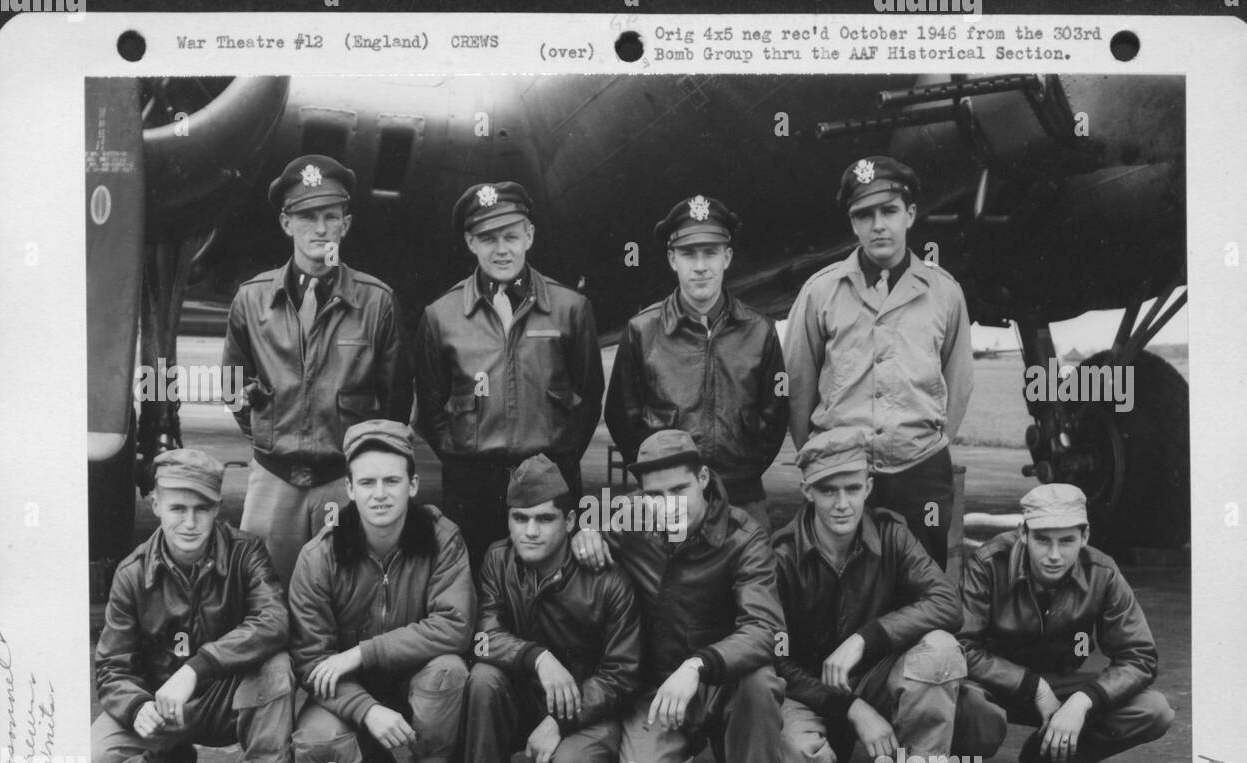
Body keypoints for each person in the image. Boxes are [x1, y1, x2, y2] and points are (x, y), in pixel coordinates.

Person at [571, 430, 787, 763]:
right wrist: (583, 532)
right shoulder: (633, 520)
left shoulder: (745, 536)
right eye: (655, 495)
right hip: (658, 689)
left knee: (761, 679)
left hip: (722, 682)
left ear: (704, 477)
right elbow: (593, 522)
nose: (666, 505)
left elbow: (765, 630)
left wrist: (699, 665)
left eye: (679, 490)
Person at [91, 449, 297, 763]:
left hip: (226, 696)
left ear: (218, 507)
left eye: (201, 509)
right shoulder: (132, 573)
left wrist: (196, 669)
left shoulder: (245, 552)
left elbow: (274, 621)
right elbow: (113, 666)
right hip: (162, 703)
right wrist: (137, 707)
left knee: (276, 665)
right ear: (155, 505)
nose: (189, 522)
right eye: (177, 508)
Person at [771, 429, 967, 763]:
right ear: (807, 490)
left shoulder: (892, 533)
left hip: (872, 674)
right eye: (828, 490)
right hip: (808, 693)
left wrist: (866, 638)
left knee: (941, 652)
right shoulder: (782, 555)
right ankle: (835, 756)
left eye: (852, 489)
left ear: (869, 487)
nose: (842, 504)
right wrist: (853, 710)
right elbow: (773, 658)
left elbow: (948, 604)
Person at [224, 154, 411, 585]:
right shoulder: (252, 300)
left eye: (331, 216)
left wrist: (363, 460)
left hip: (341, 477)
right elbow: (233, 385)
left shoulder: (376, 302)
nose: (321, 229)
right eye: (307, 216)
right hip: (273, 479)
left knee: (349, 589)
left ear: (346, 224)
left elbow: (396, 401)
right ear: (286, 223)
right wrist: (267, 433)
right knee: (263, 591)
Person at [288, 420, 474, 763]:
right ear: (349, 489)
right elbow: (310, 661)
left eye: (392, 480)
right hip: (347, 694)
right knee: (320, 749)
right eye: (367, 482)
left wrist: (362, 653)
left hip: (415, 680)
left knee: (448, 671)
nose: (380, 493)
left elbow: (455, 626)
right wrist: (367, 709)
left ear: (413, 484)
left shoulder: (442, 539)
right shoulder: (320, 556)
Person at [784, 156, 973, 565]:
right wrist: (824, 456)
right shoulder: (821, 293)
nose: (878, 225)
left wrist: (928, 445)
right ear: (853, 224)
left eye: (889, 211)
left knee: (924, 594)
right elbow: (797, 386)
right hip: (843, 472)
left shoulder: (945, 293)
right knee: (843, 586)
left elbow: (958, 384)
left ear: (910, 214)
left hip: (920, 471)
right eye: (864, 215)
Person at [412, 181, 605, 572]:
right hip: (472, 489)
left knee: (550, 595)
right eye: (487, 238)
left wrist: (556, 460)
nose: (501, 249)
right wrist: (464, 455)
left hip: (549, 482)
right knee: (474, 592)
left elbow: (588, 397)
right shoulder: (441, 315)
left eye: (511, 236)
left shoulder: (570, 309)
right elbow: (431, 407)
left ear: (529, 235)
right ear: (470, 242)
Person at [456, 455, 641, 763]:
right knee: (483, 679)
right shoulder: (497, 559)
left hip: (587, 703)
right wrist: (538, 658)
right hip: (525, 694)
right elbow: (484, 635)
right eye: (520, 519)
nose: (531, 531)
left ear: (571, 522)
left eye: (544, 519)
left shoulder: (606, 579)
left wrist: (562, 720)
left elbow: (622, 673)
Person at [954, 483, 1174, 763]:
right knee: (975, 713)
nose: (1054, 556)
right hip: (992, 685)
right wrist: (1033, 687)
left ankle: (1052, 758)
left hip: (1061, 686)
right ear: (1023, 533)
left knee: (1154, 710)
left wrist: (1083, 701)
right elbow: (963, 646)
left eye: (1067, 541)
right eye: (1043, 540)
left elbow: (1139, 657)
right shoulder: (988, 564)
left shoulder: (1103, 572)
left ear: (1084, 537)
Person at [605, 194, 788, 530]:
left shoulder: (760, 332)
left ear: (727, 257)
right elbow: (622, 417)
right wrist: (661, 479)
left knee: (756, 579)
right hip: (666, 501)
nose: (700, 266)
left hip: (741, 501)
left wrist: (740, 476)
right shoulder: (642, 332)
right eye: (689, 254)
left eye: (711, 252)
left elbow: (774, 418)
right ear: (672, 259)